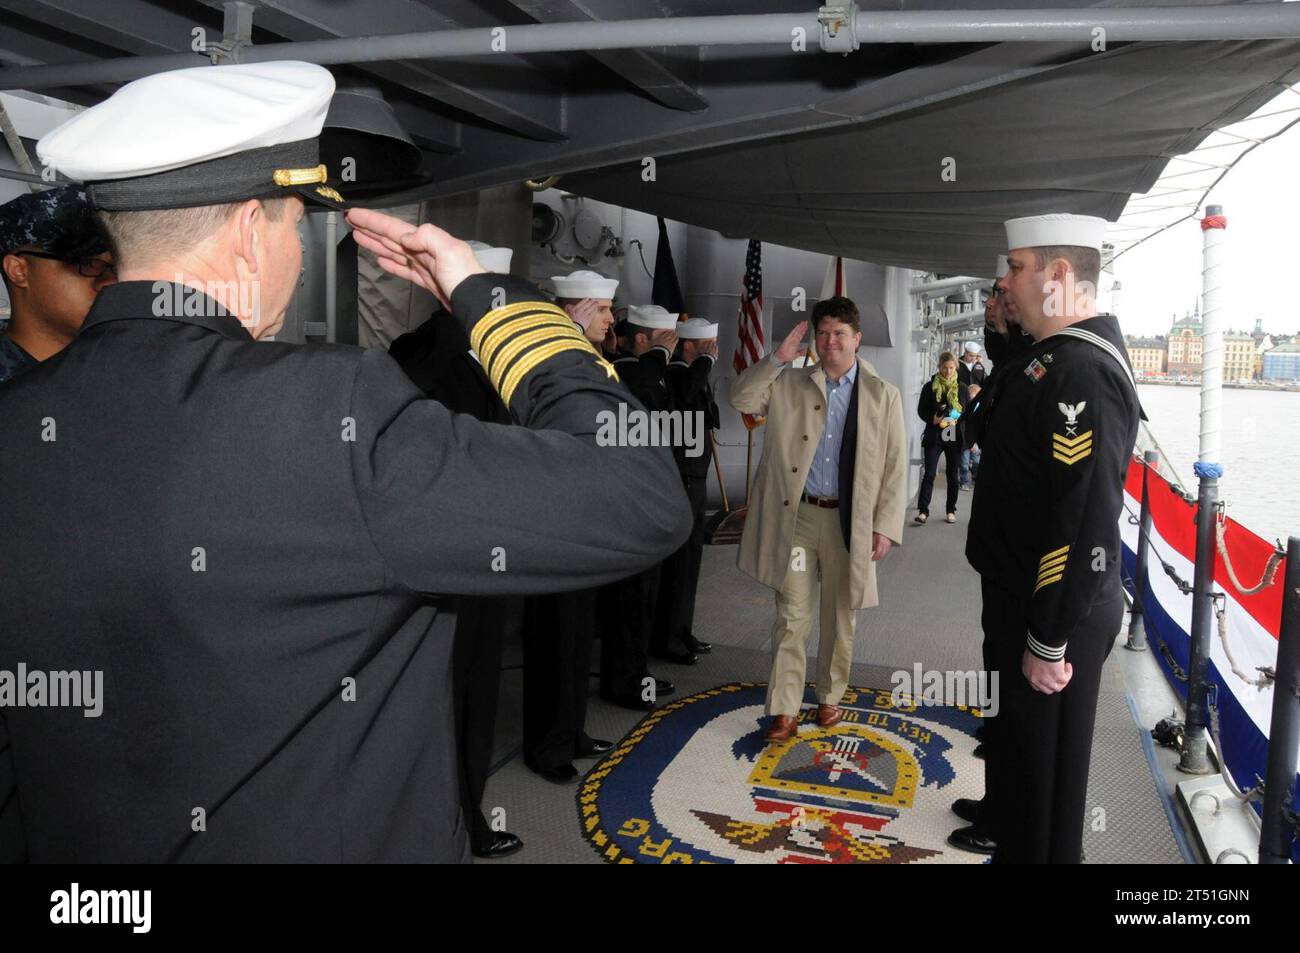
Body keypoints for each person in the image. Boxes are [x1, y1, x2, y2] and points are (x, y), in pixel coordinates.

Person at [0, 60, 690, 863]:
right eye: (294, 225)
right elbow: (639, 490)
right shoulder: (334, 411)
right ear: (248, 236)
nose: (297, 251)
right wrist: (492, 304)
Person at [966, 213, 1141, 864]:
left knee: (1044, 801)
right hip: (1022, 597)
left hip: (1052, 611)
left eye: (1017, 267)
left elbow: (1085, 518)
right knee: (1018, 775)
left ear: (1060, 275)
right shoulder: (1050, 360)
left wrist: (1047, 638)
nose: (1006, 283)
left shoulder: (1082, 374)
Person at [387, 241, 527, 859]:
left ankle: (458, 815)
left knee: (462, 694)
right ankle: (461, 822)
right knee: (459, 697)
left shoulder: (468, 351)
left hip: (478, 558)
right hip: (455, 561)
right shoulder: (424, 358)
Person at [729, 296, 907, 743]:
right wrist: (776, 359)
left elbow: (895, 465)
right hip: (798, 520)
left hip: (851, 524)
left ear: (857, 339)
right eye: (823, 333)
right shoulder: (788, 383)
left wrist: (886, 526)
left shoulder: (883, 395)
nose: (830, 342)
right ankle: (785, 708)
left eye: (840, 334)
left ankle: (830, 697)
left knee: (840, 616)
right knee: (792, 615)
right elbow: (741, 398)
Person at [598, 304, 678, 709]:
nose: (672, 347)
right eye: (665, 340)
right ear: (643, 339)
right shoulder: (627, 370)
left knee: (644, 597)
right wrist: (658, 356)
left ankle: (635, 673)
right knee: (628, 600)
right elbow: (638, 391)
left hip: (648, 497)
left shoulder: (647, 370)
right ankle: (623, 681)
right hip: (626, 502)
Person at [651, 317, 720, 665]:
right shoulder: (676, 373)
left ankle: (681, 631)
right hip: (680, 479)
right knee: (677, 564)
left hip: (695, 478)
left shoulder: (695, 374)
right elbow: (686, 395)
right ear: (688, 345)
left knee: (691, 561)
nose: (713, 351)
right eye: (707, 346)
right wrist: (705, 362)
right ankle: (667, 638)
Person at [0, 186, 114, 384]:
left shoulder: (122, 365)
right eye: (86, 263)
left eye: (116, 267)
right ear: (19, 271)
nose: (111, 281)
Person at [913, 351, 968, 526]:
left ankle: (951, 510)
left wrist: (958, 416)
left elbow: (967, 411)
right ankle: (923, 511)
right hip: (935, 433)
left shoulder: (962, 388)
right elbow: (921, 409)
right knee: (929, 473)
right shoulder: (929, 387)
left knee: (953, 475)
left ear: (955, 367)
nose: (948, 371)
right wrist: (932, 419)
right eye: (944, 367)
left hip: (952, 432)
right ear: (939, 367)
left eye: (951, 367)